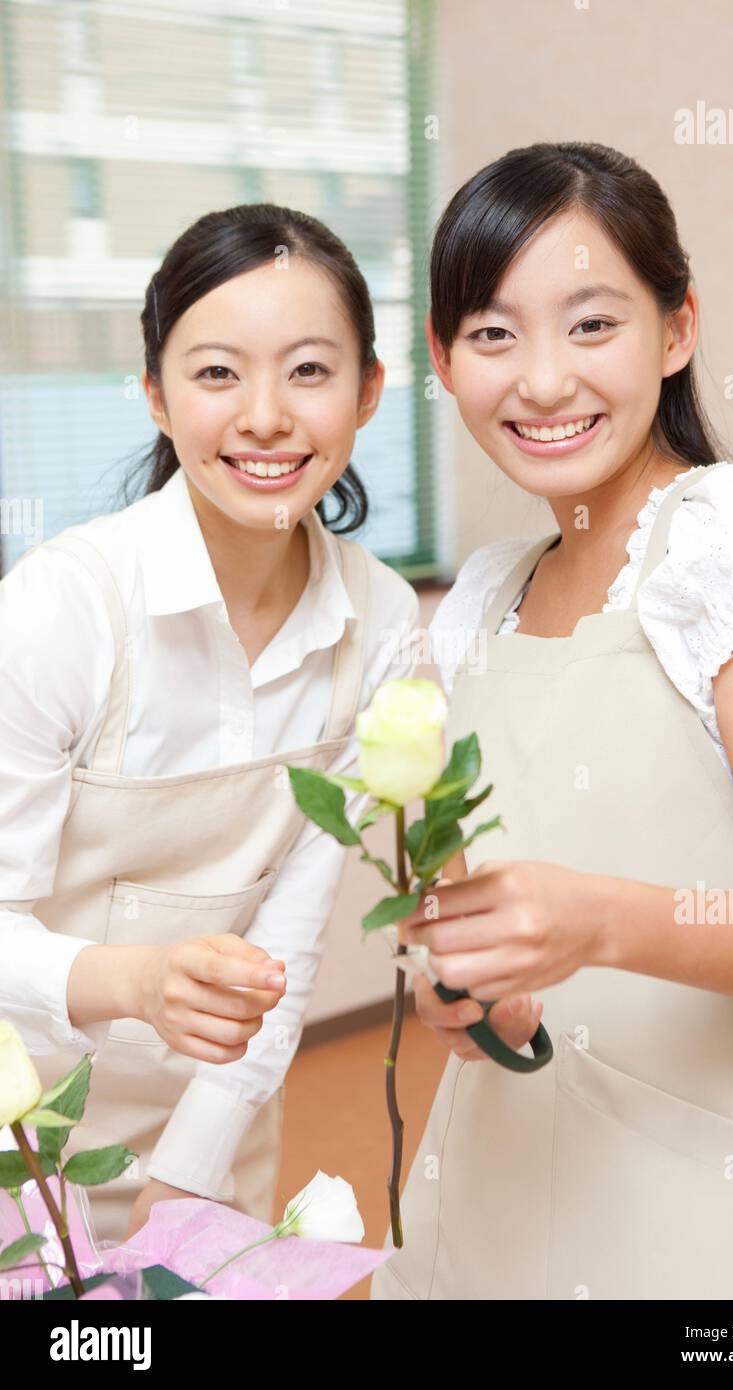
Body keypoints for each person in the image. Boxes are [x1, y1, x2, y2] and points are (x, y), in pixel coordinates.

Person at [370, 141, 733, 1300]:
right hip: (490, 1184)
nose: (541, 382)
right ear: (442, 358)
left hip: (709, 1219)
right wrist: (460, 988)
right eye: (492, 334)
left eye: (591, 325)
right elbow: (493, 902)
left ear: (676, 329)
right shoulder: (483, 596)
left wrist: (594, 921)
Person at [0, 203, 419, 1245]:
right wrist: (133, 981)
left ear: (369, 389)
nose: (266, 417)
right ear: (154, 395)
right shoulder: (63, 608)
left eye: (310, 371)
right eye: (217, 373)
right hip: (17, 1130)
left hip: (214, 1122)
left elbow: (291, 937)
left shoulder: (381, 622)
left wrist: (187, 1169)